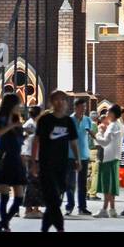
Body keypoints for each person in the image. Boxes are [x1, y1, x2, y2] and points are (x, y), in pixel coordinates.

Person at [30, 90, 80, 233]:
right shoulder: (45, 120)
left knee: (55, 201)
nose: (60, 103)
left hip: (62, 165)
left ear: (66, 103)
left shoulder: (69, 121)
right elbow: (36, 141)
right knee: (52, 199)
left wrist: (77, 159)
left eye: (62, 100)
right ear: (51, 103)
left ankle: (45, 228)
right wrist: (34, 162)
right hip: (46, 165)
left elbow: (74, 142)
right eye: (56, 100)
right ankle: (60, 228)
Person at [0, 95, 26, 232]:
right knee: (4, 197)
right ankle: (5, 226)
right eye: (18, 105)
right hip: (4, 159)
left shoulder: (18, 122)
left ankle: (3, 222)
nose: (19, 108)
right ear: (11, 105)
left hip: (16, 159)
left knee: (19, 198)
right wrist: (11, 126)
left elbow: (19, 140)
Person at [93, 103, 124, 218]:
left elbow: (105, 142)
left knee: (107, 185)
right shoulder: (119, 125)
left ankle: (105, 209)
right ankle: (112, 209)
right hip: (115, 157)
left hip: (108, 157)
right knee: (112, 184)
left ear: (113, 113)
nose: (106, 114)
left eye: (108, 112)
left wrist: (97, 134)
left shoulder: (112, 126)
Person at [65, 97, 94, 216]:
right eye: (82, 107)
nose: (84, 109)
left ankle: (82, 207)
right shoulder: (69, 120)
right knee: (70, 183)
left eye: (85, 107)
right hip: (70, 155)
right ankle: (70, 206)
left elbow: (90, 135)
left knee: (82, 183)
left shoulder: (87, 120)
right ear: (76, 107)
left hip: (84, 155)